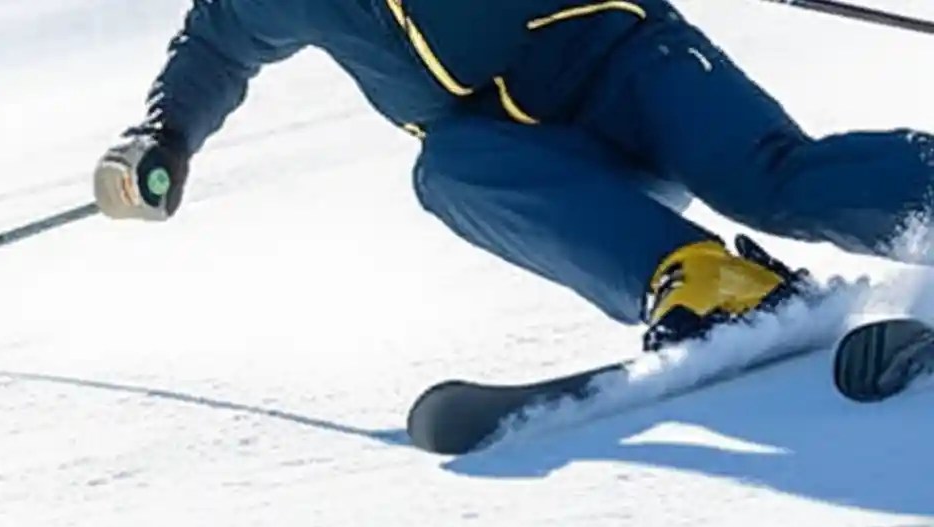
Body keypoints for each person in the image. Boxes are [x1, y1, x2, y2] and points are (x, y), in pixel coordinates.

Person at [92, 0, 934, 349]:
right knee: (447, 168)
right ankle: (702, 281)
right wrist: (165, 135)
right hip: (532, 157)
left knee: (767, 182)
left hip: (629, 62)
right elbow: (212, 48)